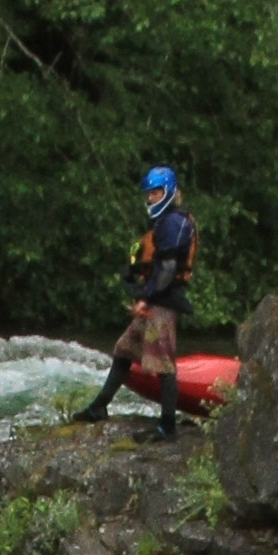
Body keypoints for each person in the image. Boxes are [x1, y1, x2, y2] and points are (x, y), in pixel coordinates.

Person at [76, 167, 195, 439]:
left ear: (167, 193)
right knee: (124, 349)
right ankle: (99, 407)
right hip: (153, 299)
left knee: (163, 364)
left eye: (156, 193)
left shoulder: (175, 223)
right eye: (149, 193)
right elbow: (154, 264)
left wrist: (145, 298)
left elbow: (166, 270)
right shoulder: (162, 223)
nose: (151, 198)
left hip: (162, 303)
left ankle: (167, 427)